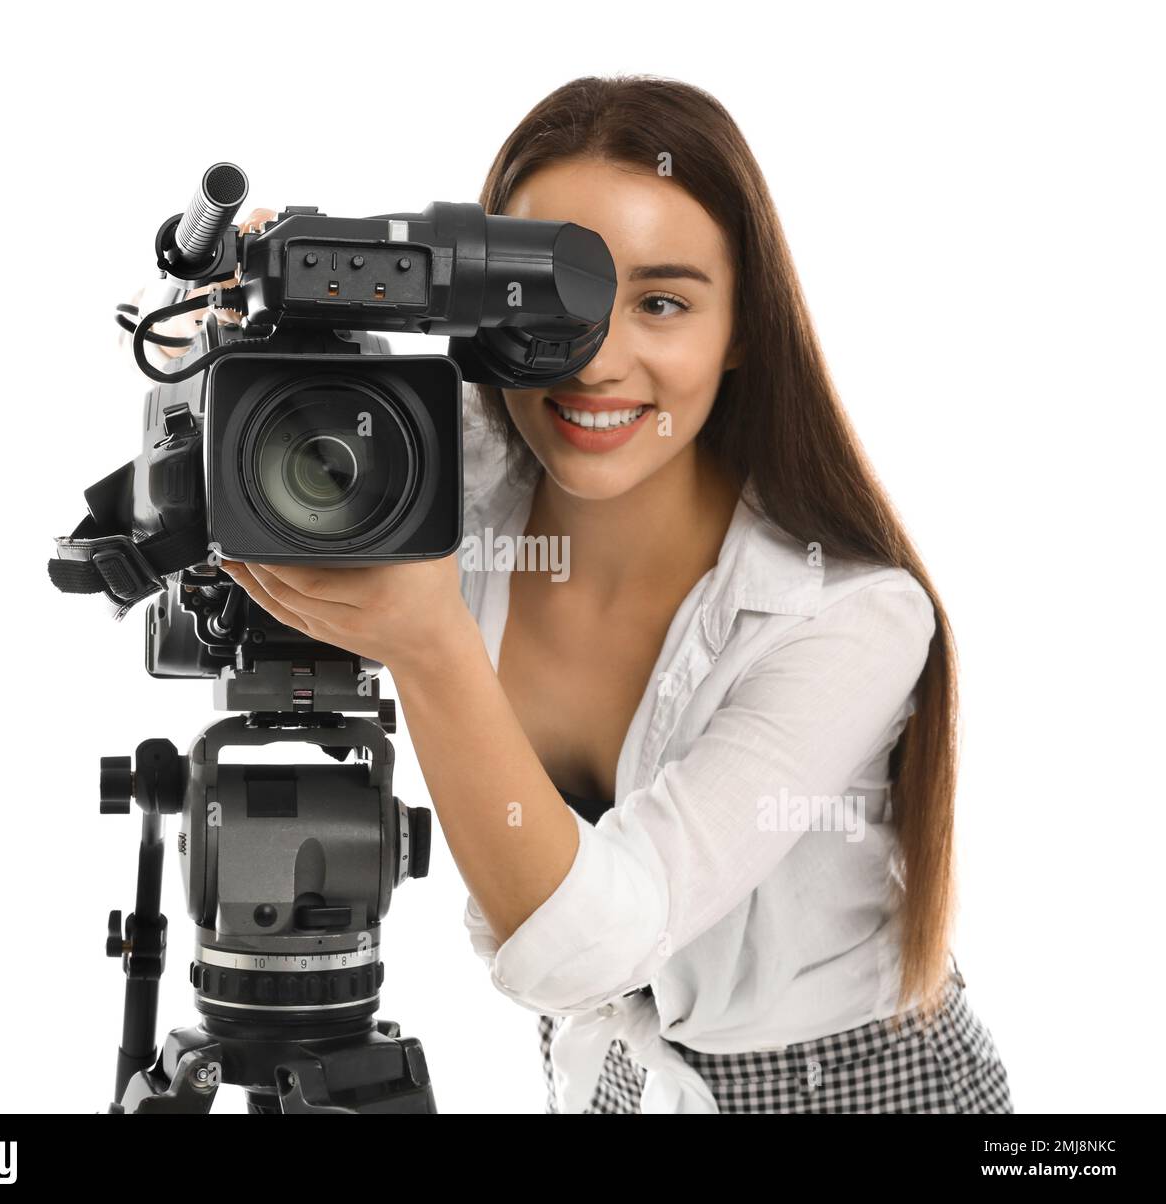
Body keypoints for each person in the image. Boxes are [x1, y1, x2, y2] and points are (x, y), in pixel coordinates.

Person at [150, 74, 1014, 1115]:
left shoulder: (847, 617)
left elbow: (597, 941)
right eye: (545, 304)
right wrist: (231, 319)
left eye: (659, 302)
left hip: (855, 1093)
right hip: (608, 1083)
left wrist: (431, 648)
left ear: (741, 325)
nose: (597, 363)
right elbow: (218, 428)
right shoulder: (427, 477)